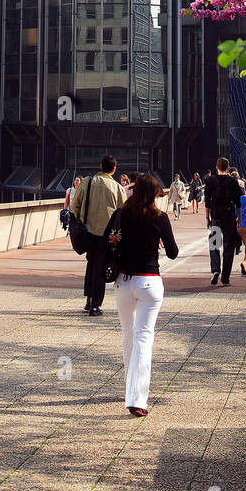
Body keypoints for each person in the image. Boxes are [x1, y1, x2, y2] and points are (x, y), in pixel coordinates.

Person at [104, 173, 179, 417]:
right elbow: (173, 252)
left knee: (128, 335)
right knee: (143, 339)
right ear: (153, 194)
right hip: (149, 282)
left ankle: (130, 387)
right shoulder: (159, 217)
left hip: (124, 282)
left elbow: (108, 241)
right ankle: (137, 399)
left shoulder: (120, 214)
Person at [70, 155, 127, 315]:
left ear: (100, 166)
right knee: (101, 266)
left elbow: (75, 205)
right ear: (114, 169)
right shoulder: (117, 188)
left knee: (91, 263)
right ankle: (96, 304)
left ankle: (88, 300)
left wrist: (82, 220)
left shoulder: (87, 182)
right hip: (106, 235)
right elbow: (123, 213)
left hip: (88, 232)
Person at [204, 157, 242, 287]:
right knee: (229, 246)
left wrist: (207, 218)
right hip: (229, 217)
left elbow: (207, 202)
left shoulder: (210, 180)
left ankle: (215, 270)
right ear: (228, 167)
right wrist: (239, 218)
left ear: (217, 167)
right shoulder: (233, 181)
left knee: (214, 244)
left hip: (215, 217)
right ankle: (225, 277)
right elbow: (238, 202)